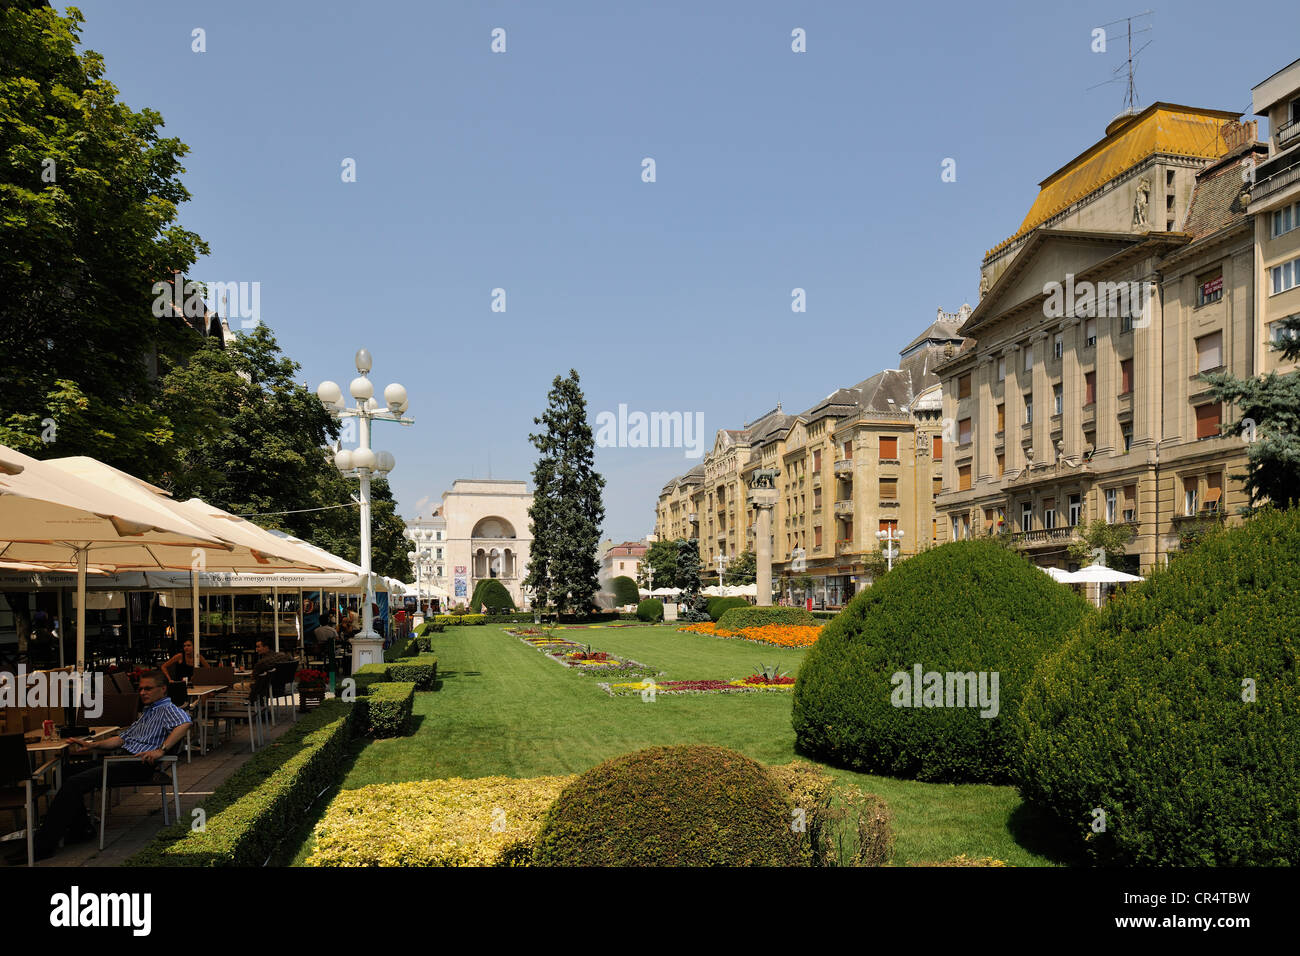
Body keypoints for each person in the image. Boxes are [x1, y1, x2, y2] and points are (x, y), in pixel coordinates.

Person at [27, 670, 191, 861]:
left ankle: (42, 846)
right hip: (122, 759)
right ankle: (80, 828)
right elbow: (121, 740)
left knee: (73, 783)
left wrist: (161, 750)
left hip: (135, 765)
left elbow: (184, 723)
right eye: (140, 689)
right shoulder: (149, 711)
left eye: (148, 688)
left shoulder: (166, 709)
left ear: (163, 689)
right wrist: (92, 745)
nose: (143, 692)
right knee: (63, 772)